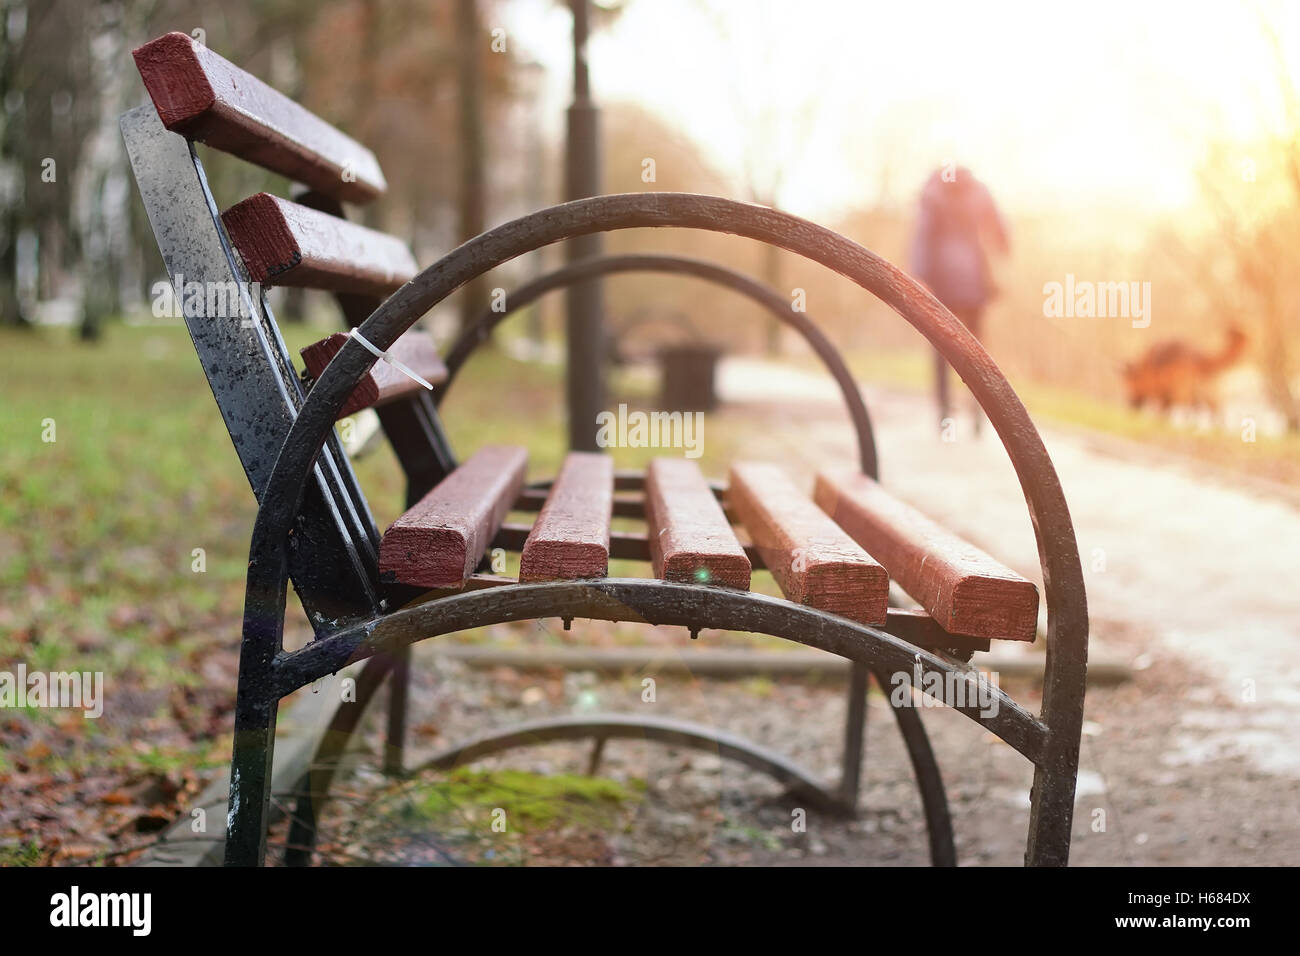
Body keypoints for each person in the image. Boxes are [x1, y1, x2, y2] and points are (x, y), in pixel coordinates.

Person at [909, 166, 1010, 434]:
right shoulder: (978, 190)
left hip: (942, 282)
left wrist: (919, 275)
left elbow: (922, 236)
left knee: (942, 349)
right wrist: (1004, 246)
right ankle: (980, 408)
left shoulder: (932, 193)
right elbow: (998, 224)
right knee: (976, 348)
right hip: (975, 278)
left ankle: (944, 412)